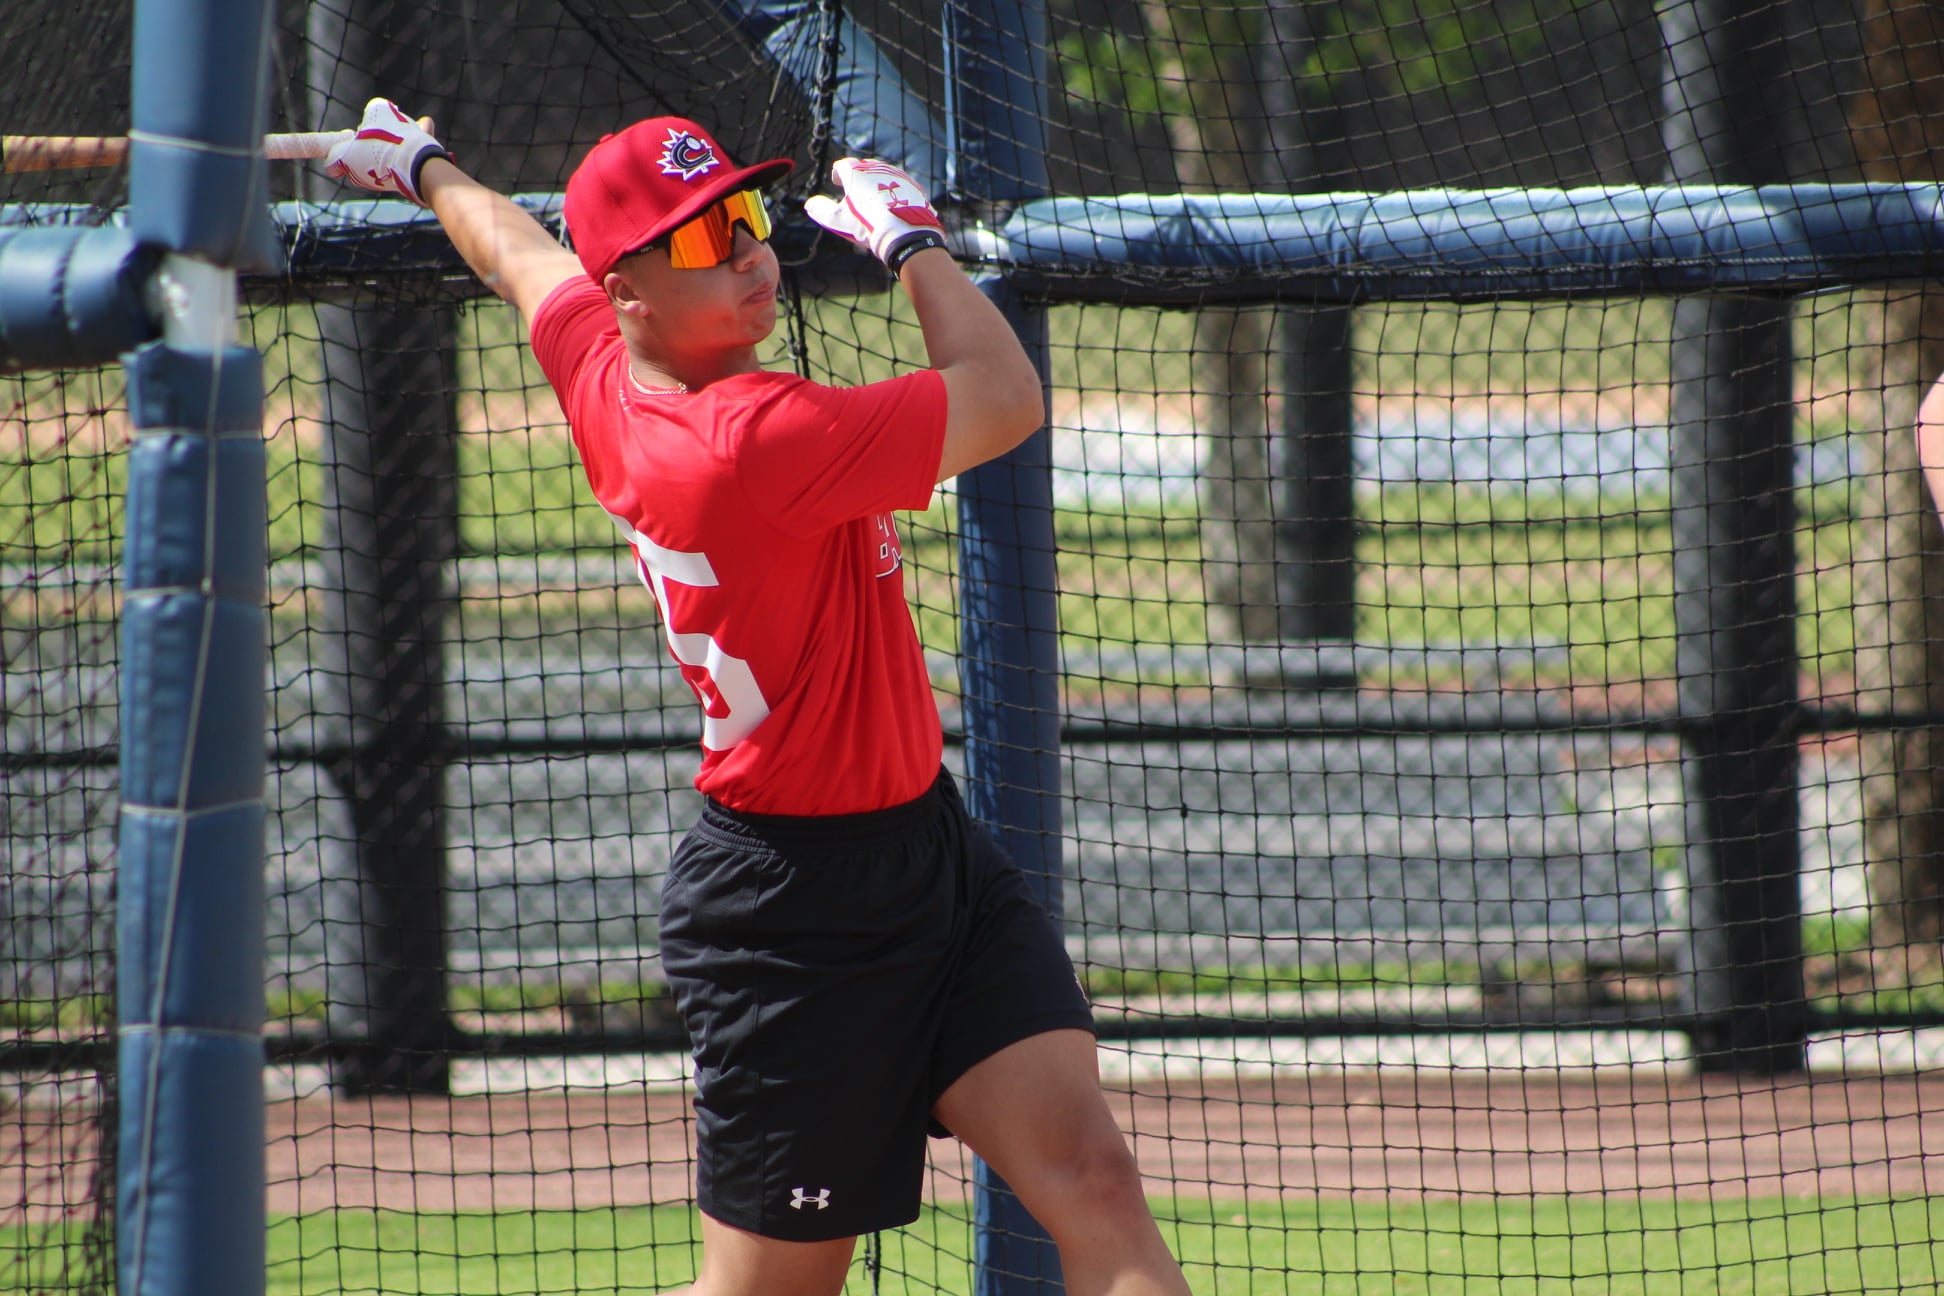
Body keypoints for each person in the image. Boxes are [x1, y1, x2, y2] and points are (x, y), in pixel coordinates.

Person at [324, 98, 1192, 1296]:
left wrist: (419, 164)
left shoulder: (598, 359)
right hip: (789, 919)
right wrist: (913, 245)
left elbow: (516, 254)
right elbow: (1004, 392)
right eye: (699, 239)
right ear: (628, 288)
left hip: (927, 858)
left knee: (1092, 1181)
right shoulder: (750, 435)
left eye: (741, 213)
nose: (747, 252)